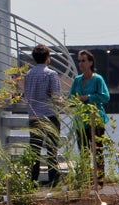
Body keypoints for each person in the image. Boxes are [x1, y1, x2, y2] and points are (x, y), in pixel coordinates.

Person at [69, 49, 110, 186]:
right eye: (79, 61)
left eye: (83, 60)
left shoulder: (98, 79)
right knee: (84, 152)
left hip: (96, 120)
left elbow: (105, 96)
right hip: (81, 122)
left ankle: (99, 181)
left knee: (97, 150)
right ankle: (85, 180)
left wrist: (89, 98)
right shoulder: (77, 80)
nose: (80, 63)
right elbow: (70, 98)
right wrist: (75, 100)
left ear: (91, 62)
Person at [23, 44, 62, 186]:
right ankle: (53, 180)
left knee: (35, 150)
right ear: (47, 58)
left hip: (34, 116)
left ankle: (33, 180)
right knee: (52, 149)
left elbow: (26, 95)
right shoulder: (51, 74)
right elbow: (56, 97)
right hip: (49, 115)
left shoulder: (28, 75)